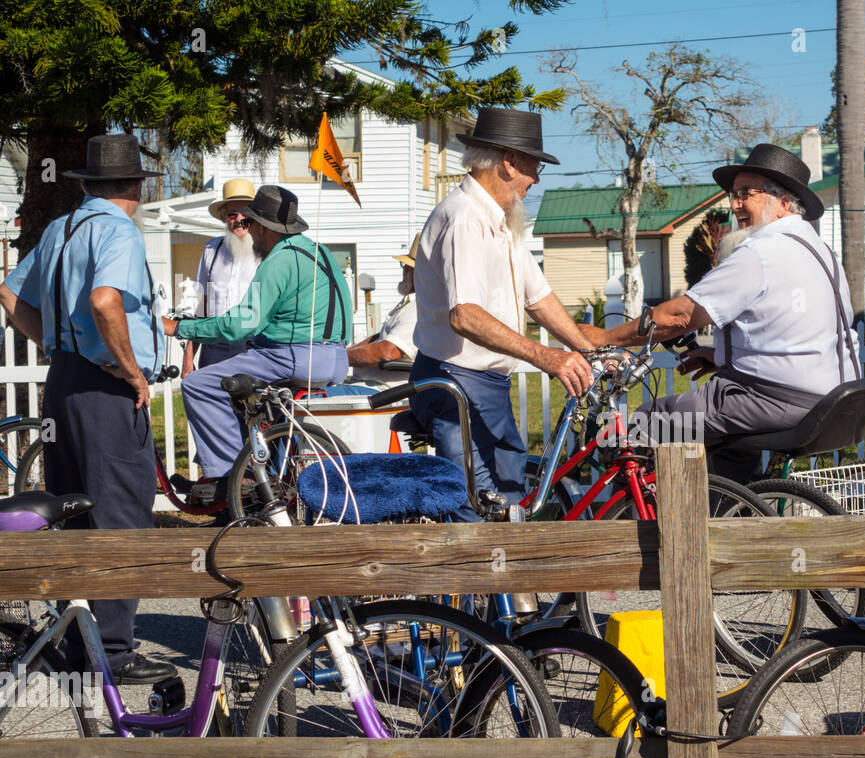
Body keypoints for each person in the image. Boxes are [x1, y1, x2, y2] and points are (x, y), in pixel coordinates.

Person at [0, 133, 175, 682]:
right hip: (104, 389)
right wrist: (130, 368)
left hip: (65, 383)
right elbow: (106, 300)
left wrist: (54, 344)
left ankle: (81, 646)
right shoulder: (118, 230)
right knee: (120, 512)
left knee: (72, 509)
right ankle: (116, 652)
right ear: (136, 187)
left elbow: (9, 294)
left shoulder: (61, 228)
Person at [608, 143, 862, 483]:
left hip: (773, 400)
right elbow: (792, 331)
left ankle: (632, 521)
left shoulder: (762, 251)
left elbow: (681, 316)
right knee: (725, 448)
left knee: (645, 422)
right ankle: (734, 510)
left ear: (784, 203)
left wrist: (603, 339)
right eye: (734, 194)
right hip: (828, 398)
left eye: (746, 194)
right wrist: (722, 356)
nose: (734, 204)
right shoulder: (818, 250)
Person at [411, 107, 613, 521]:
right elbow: (464, 315)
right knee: (473, 513)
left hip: (485, 385)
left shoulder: (499, 223)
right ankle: (466, 587)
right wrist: (548, 357)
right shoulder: (464, 217)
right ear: (509, 162)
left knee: (508, 505)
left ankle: (496, 585)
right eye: (533, 169)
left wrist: (587, 350)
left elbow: (538, 298)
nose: (534, 181)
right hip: (454, 381)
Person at [163, 186, 350, 495]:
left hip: (294, 357)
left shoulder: (279, 259)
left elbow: (242, 324)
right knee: (246, 394)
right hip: (334, 360)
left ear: (263, 227)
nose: (247, 232)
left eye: (250, 224)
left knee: (199, 384)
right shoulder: (322, 252)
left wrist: (180, 328)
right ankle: (264, 474)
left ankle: (230, 477)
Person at [180, 178, 261, 376]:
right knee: (210, 404)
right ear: (224, 217)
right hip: (213, 345)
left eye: (246, 213)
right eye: (233, 214)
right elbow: (202, 307)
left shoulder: (265, 251)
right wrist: (188, 356)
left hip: (254, 346)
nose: (239, 220)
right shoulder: (211, 250)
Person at [345, 235, 419, 386]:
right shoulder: (411, 303)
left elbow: (388, 351)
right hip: (366, 385)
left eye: (409, 267)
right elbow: (378, 338)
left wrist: (338, 358)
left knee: (298, 401)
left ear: (422, 274)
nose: (404, 269)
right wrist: (341, 352)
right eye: (404, 265)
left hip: (379, 392)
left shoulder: (419, 308)